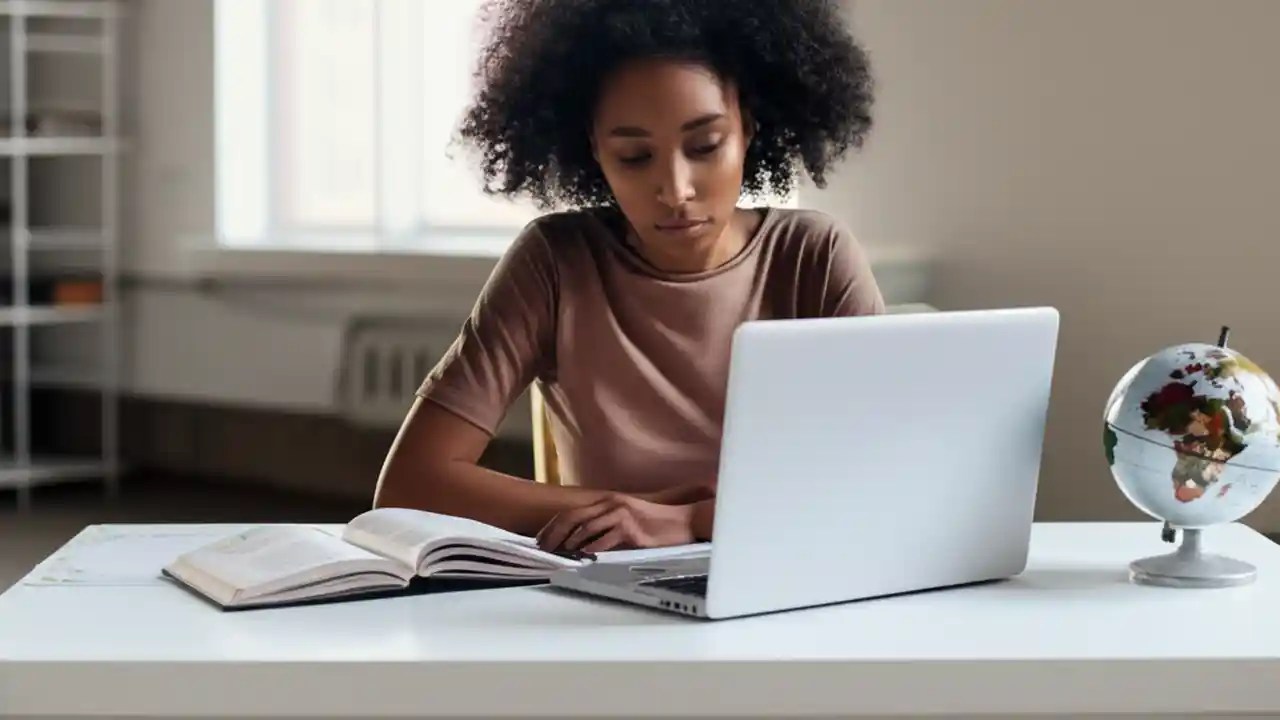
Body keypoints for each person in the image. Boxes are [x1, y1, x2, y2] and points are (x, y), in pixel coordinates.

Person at [373, 0, 883, 555]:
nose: (676, 188)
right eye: (635, 156)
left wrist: (693, 521)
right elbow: (409, 485)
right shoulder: (555, 263)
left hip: (792, 572)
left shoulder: (814, 257)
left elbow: (888, 473)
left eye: (705, 146)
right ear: (594, 150)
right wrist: (625, 513)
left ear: (748, 128)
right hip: (612, 594)